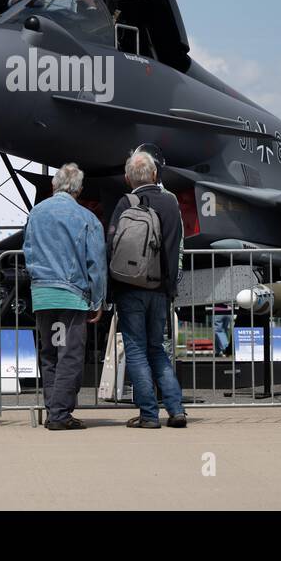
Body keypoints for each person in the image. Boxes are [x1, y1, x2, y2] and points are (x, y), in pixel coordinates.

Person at [23, 163, 107, 430]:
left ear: (52, 185)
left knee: (49, 354)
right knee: (69, 354)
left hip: (43, 294)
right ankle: (59, 414)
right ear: (80, 189)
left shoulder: (36, 214)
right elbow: (96, 262)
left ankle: (53, 410)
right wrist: (98, 300)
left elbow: (27, 251)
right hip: (72, 296)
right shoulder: (87, 218)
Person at [107, 150, 187, 429]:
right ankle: (176, 409)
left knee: (136, 349)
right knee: (156, 349)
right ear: (155, 175)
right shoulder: (171, 204)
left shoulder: (125, 202)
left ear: (128, 178)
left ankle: (149, 414)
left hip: (130, 288)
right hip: (161, 290)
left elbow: (112, 247)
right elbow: (176, 246)